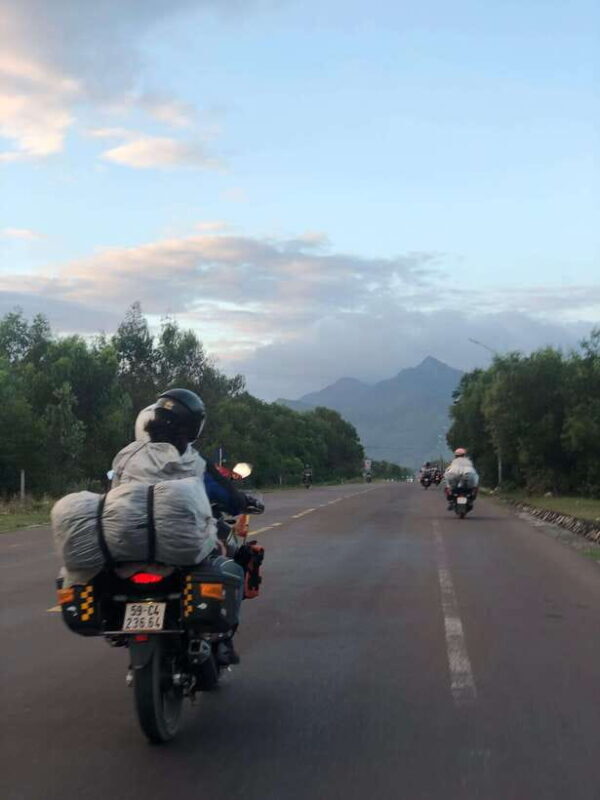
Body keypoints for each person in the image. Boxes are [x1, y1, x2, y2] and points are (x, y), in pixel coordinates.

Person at [111, 388, 262, 664]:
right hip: (179, 539)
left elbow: (113, 492)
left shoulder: (127, 454)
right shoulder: (192, 460)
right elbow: (227, 496)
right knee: (237, 557)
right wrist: (243, 502)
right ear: (193, 425)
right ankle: (224, 640)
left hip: (127, 539)